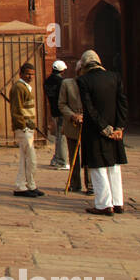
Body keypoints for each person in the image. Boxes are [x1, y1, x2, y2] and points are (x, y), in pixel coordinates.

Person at [76, 49, 127, 216]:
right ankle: (118, 202)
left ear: (83, 64)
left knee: (98, 167)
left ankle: (104, 204)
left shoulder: (84, 80)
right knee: (113, 166)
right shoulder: (115, 77)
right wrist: (118, 127)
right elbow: (122, 103)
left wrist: (104, 128)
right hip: (115, 130)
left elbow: (89, 108)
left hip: (95, 130)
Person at [9, 62, 43, 197]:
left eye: (32, 74)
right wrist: (22, 126)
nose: (30, 76)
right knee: (30, 159)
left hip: (28, 127)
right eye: (28, 74)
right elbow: (16, 109)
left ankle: (25, 185)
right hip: (23, 128)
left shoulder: (25, 87)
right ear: (21, 74)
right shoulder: (19, 87)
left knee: (26, 158)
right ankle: (26, 185)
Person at [57, 63, 92, 195]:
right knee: (73, 157)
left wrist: (86, 115)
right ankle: (75, 183)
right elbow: (62, 104)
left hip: (88, 124)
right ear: (78, 71)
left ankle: (91, 184)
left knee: (88, 156)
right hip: (72, 124)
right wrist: (73, 116)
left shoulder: (91, 83)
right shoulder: (67, 84)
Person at [44, 60, 68, 168]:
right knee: (61, 136)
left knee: (58, 136)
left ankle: (56, 158)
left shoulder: (47, 81)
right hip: (62, 111)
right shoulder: (61, 82)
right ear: (62, 70)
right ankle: (61, 161)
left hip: (54, 111)